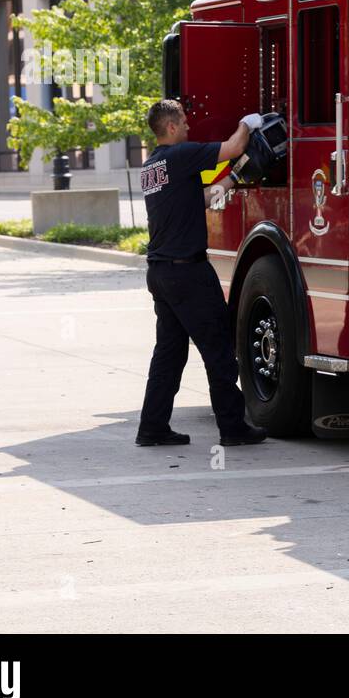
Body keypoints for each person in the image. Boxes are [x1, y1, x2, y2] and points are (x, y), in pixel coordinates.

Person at [135, 99, 267, 447]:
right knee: (219, 349)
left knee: (169, 353)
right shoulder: (181, 155)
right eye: (185, 122)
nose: (191, 127)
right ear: (172, 127)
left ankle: (152, 427)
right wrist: (248, 121)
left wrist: (232, 181)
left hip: (162, 273)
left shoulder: (152, 167)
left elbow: (200, 199)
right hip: (189, 274)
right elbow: (235, 146)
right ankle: (233, 428)